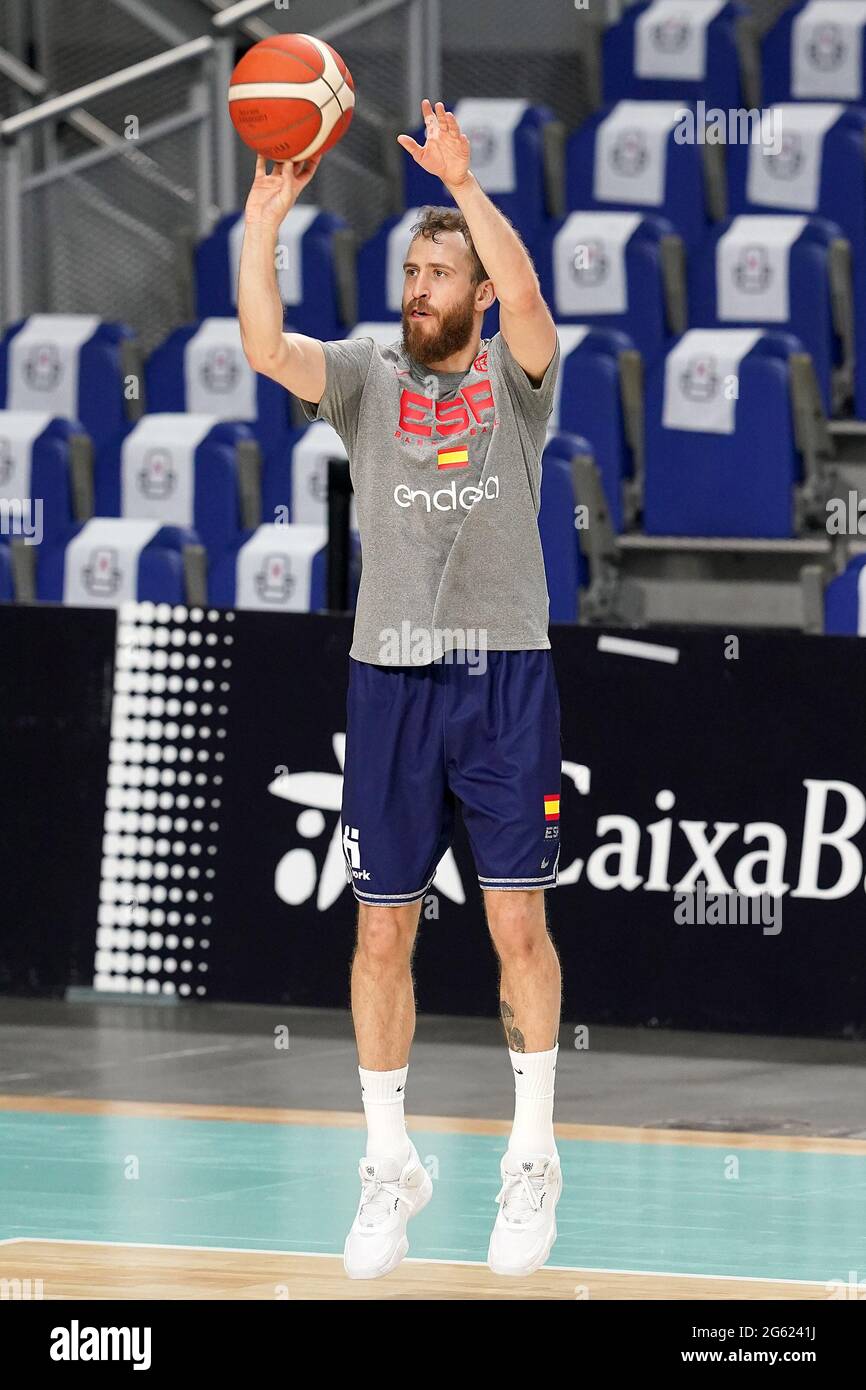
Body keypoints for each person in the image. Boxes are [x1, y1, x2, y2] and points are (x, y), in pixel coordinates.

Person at [239, 99, 563, 1280]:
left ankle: (531, 1153)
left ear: (472, 293)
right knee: (381, 927)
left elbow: (528, 302)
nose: (420, 285)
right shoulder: (367, 375)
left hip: (504, 676)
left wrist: (470, 192)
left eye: (441, 272)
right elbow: (266, 346)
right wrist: (265, 218)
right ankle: (389, 1167)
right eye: (412, 268)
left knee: (513, 920)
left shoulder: (521, 383)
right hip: (389, 681)